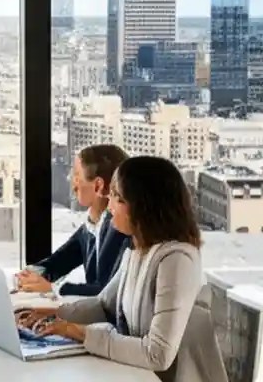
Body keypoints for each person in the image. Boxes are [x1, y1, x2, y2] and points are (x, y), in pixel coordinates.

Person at [15, 156, 226, 382]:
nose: (110, 206)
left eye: (118, 198)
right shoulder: (138, 250)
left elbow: (158, 354)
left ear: (144, 207)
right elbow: (104, 306)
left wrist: (75, 331)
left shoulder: (177, 260)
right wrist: (53, 313)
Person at [15, 144, 129, 296]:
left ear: (98, 186)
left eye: (76, 174)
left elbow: (105, 293)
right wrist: (28, 275)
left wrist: (53, 289)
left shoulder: (119, 230)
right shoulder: (92, 224)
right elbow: (59, 261)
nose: (70, 179)